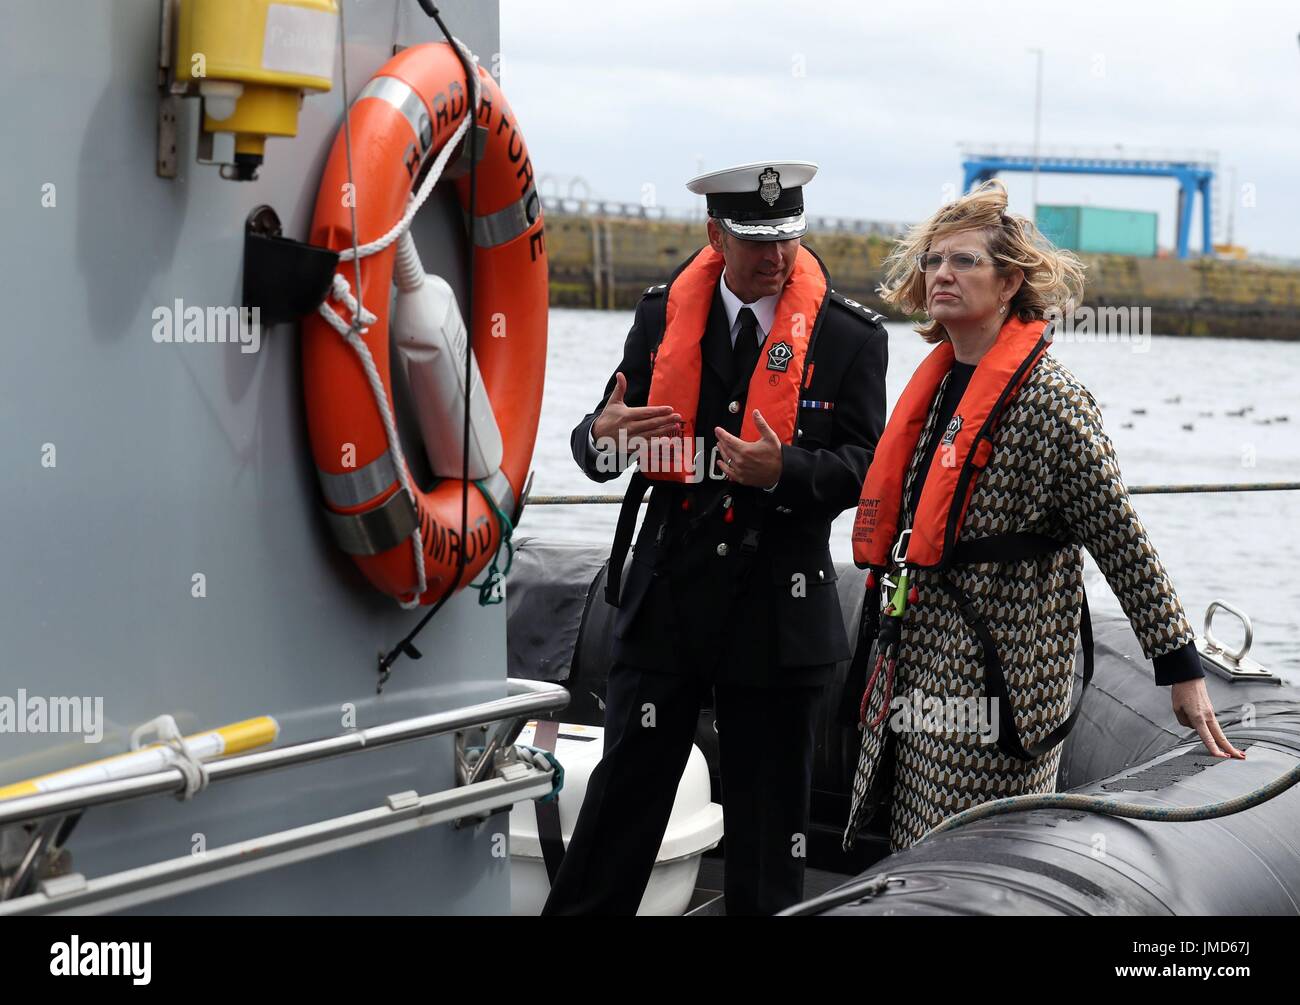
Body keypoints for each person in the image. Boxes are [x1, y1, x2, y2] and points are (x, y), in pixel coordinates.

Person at [842, 180, 1243, 855]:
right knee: (910, 845)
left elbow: (1121, 537)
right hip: (919, 659)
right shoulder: (941, 385)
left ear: (1010, 283)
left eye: (964, 261)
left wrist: (1180, 666)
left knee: (973, 858)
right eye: (934, 260)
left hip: (1001, 675)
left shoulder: (1054, 402)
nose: (942, 273)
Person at [542, 161, 888, 915]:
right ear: (714, 236)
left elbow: (867, 469)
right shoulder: (662, 314)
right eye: (758, 241)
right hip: (667, 603)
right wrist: (600, 435)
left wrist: (783, 470)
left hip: (777, 614)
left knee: (771, 842)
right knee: (617, 812)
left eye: (789, 238)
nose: (778, 257)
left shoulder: (849, 336)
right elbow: (601, 443)